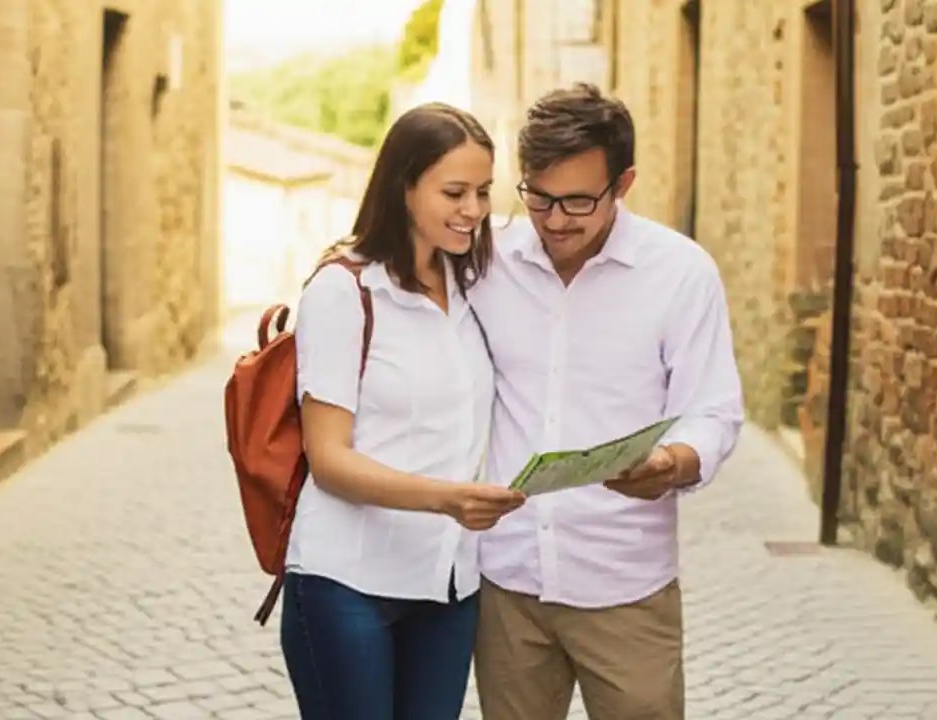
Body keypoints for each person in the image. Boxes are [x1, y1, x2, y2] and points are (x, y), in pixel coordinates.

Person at [469, 83, 745, 720]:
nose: (556, 220)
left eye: (578, 201)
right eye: (539, 197)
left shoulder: (681, 273)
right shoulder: (487, 261)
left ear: (624, 184)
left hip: (626, 587)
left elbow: (715, 407)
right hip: (508, 584)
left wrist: (672, 463)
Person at [281, 102, 526, 720]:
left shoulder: (475, 285)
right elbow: (329, 459)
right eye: (453, 192)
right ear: (403, 186)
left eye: (482, 191)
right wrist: (446, 498)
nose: (473, 209)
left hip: (447, 584)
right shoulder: (345, 291)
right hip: (346, 582)